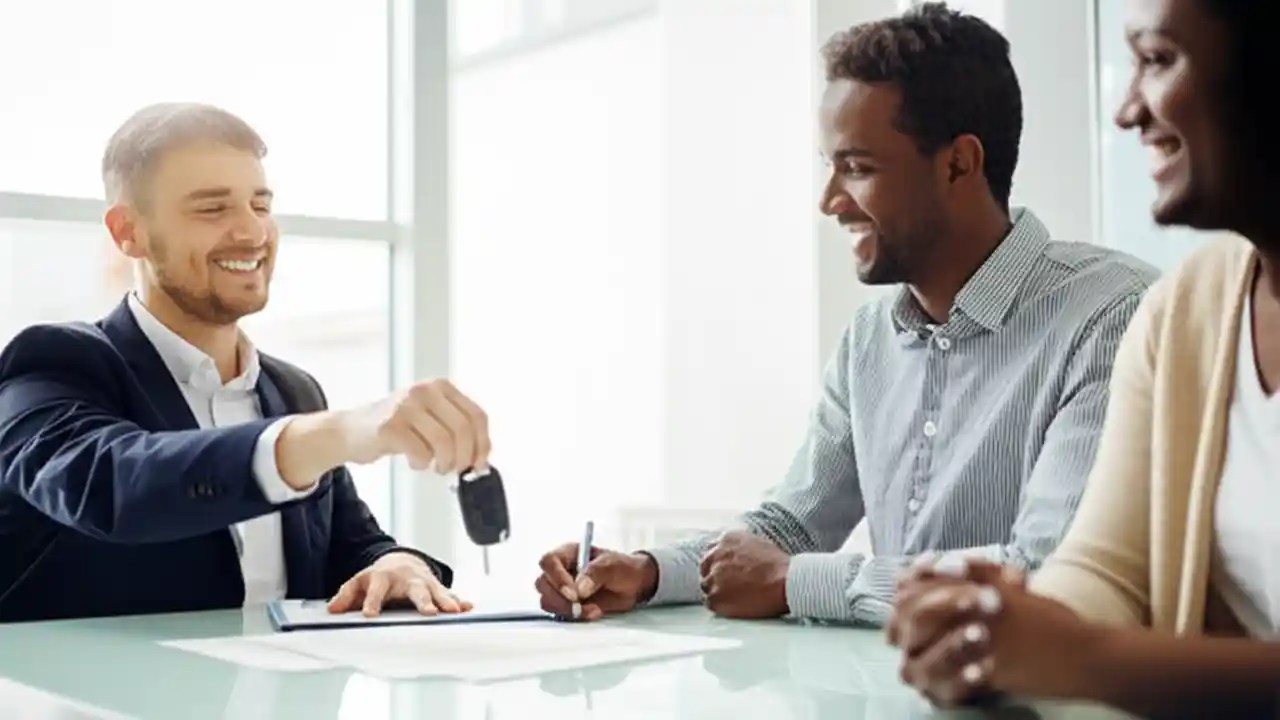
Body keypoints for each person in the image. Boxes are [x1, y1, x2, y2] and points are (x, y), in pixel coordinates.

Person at [532, 3, 1157, 627]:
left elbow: (1051, 577)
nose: (829, 201)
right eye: (829, 167)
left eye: (856, 168)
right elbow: (790, 526)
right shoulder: (870, 340)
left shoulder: (1113, 317)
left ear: (958, 164)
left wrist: (794, 582)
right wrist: (645, 572)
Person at [889, 0, 1280, 716]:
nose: (1128, 110)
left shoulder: (1110, 303)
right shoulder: (1184, 308)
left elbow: (1091, 645)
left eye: (1158, 60)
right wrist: (996, 627)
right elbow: (1108, 568)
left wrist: (1084, 657)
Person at [0, 103, 491, 622]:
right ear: (128, 232)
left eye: (260, 205)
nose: (252, 232)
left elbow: (351, 546)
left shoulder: (294, 392)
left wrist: (396, 563)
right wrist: (340, 432)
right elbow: (114, 487)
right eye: (212, 209)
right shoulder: (52, 363)